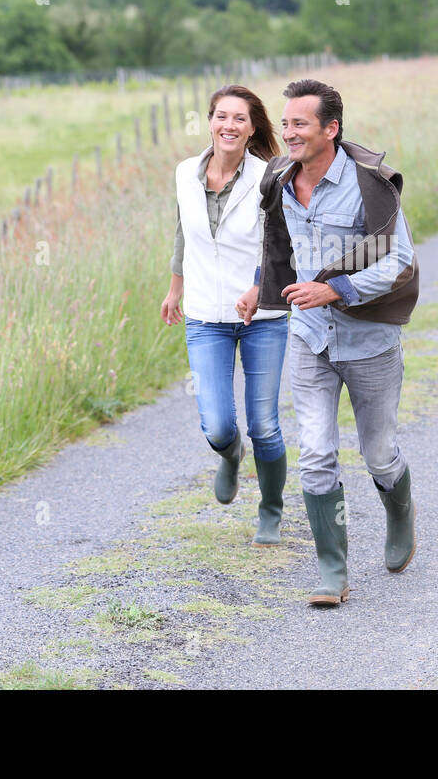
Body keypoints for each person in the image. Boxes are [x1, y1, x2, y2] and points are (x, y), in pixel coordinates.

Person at [236, 78, 419, 606]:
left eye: (300, 124)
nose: (288, 133)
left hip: (371, 344)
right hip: (309, 341)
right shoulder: (279, 179)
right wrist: (258, 288)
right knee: (316, 455)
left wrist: (336, 289)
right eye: (286, 123)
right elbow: (279, 244)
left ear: (330, 128)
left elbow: (399, 261)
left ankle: (400, 514)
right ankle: (332, 572)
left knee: (379, 455)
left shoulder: (370, 183)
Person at [161, 85, 289, 547]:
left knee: (265, 424)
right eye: (221, 116)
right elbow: (183, 232)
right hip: (204, 315)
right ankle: (230, 454)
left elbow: (278, 242)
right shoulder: (184, 173)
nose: (229, 125)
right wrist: (175, 288)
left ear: (253, 128)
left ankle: (270, 511)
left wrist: (259, 286)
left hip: (263, 317)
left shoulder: (268, 176)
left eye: (239, 118)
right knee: (217, 424)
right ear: (210, 121)